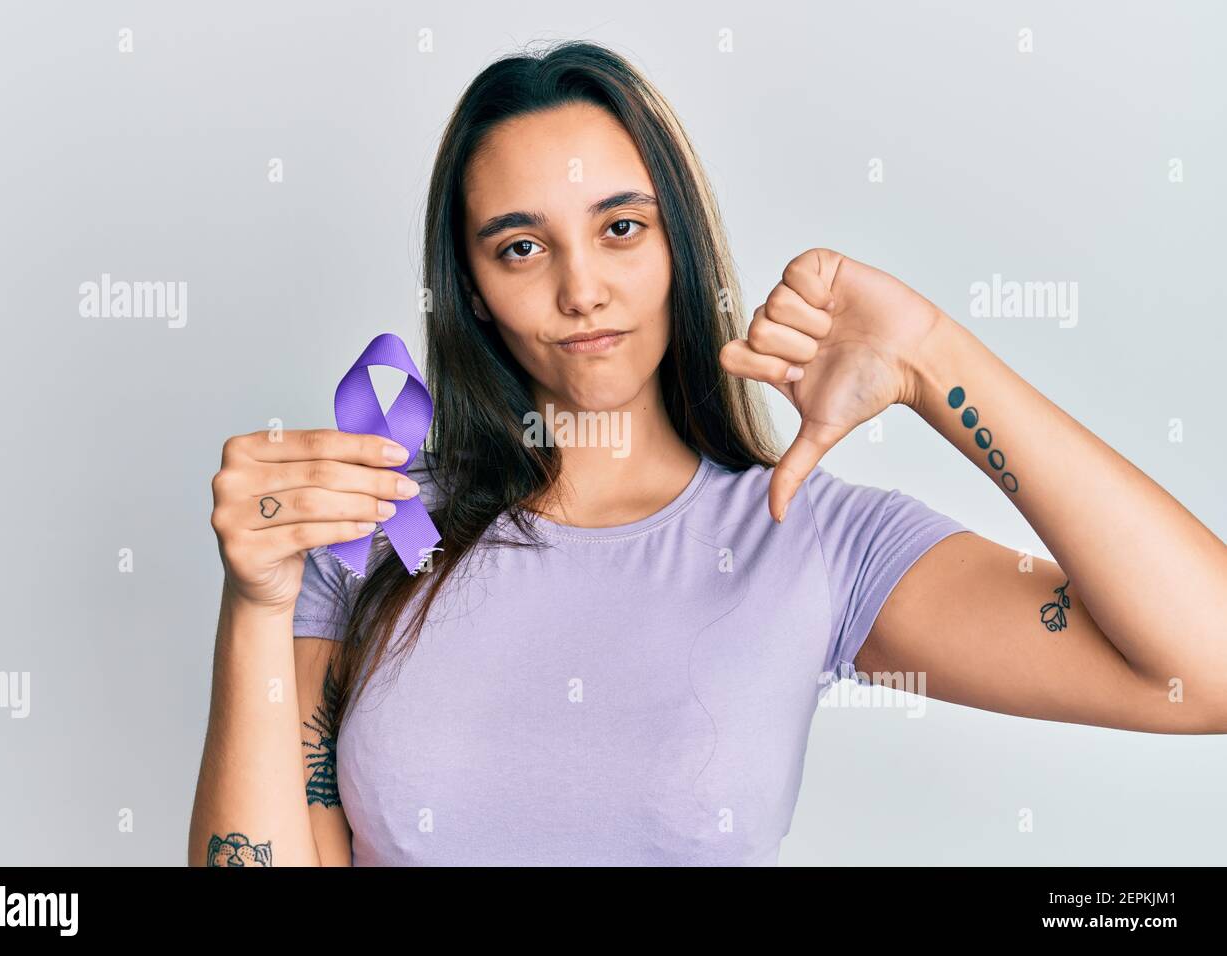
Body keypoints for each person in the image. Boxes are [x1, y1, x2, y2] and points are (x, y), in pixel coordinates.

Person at [188, 41, 1227, 867]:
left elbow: (1205, 670)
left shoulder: (809, 536)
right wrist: (256, 601)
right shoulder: (371, 527)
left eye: (621, 228)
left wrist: (932, 359)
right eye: (520, 245)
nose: (579, 287)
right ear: (469, 288)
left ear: (678, 242)